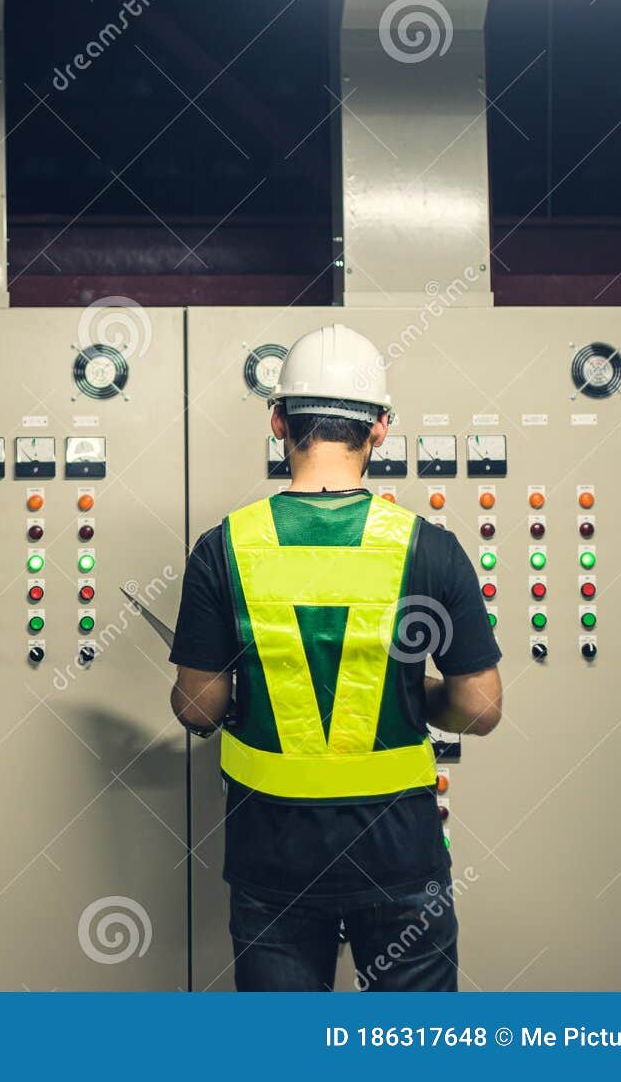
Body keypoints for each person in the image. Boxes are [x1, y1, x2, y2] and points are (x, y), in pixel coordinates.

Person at [169, 323, 502, 991]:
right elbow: (480, 707)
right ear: (380, 427)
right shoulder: (428, 548)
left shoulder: (224, 546)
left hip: (273, 860)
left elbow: (197, 704)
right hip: (400, 854)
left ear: (277, 420)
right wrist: (417, 697)